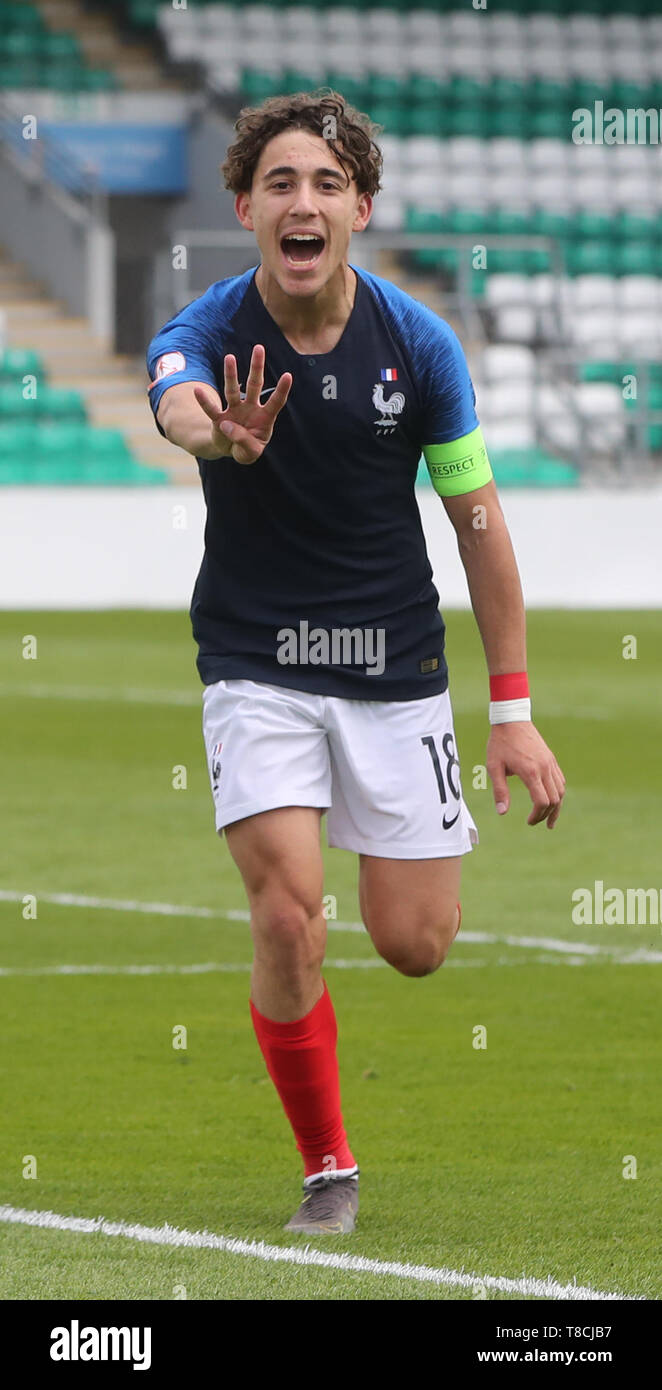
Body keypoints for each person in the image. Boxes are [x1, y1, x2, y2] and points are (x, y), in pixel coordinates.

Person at [146, 90, 565, 1237]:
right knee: (287, 917)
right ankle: (326, 1161)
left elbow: (479, 527)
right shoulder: (205, 328)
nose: (302, 200)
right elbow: (176, 401)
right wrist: (214, 432)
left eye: (326, 184)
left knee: (414, 944)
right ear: (246, 205)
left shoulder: (419, 347)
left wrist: (512, 710)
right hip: (255, 660)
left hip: (393, 668)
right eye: (280, 182)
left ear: (359, 209)